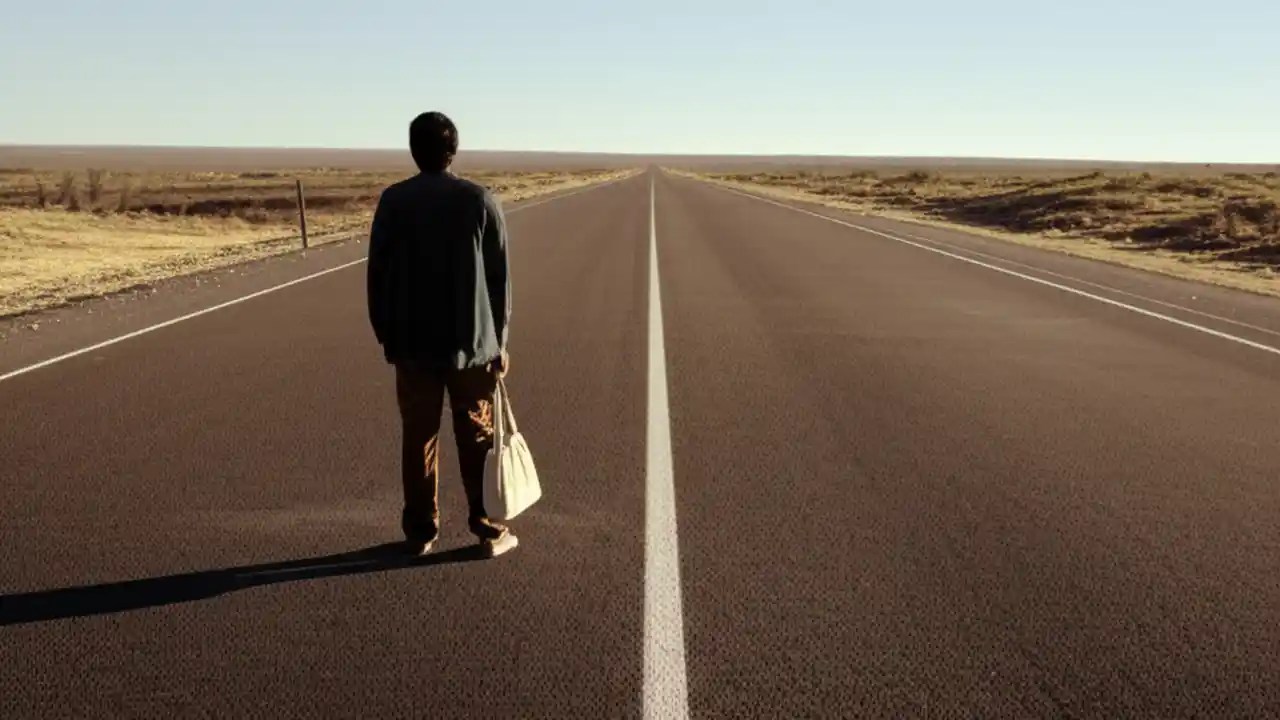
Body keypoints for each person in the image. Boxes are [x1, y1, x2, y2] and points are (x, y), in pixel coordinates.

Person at [366, 111, 517, 558]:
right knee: (476, 436)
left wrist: (385, 332)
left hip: (412, 345)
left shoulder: (394, 202)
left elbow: (378, 274)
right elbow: (499, 280)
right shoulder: (479, 200)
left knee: (419, 437)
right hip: (471, 346)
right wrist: (501, 341)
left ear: (414, 150)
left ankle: (420, 531)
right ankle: (486, 529)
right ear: (454, 150)